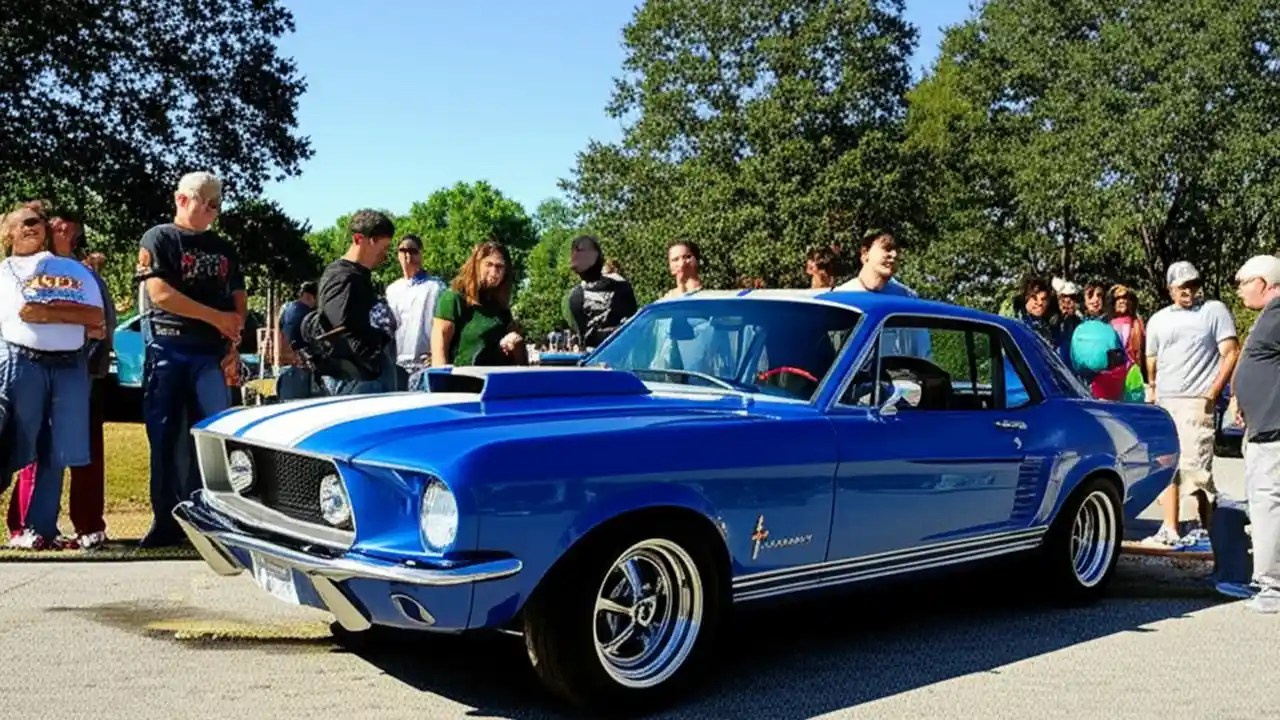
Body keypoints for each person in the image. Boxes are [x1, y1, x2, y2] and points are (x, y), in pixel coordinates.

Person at [134, 171, 246, 548]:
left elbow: (238, 297)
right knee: (164, 436)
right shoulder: (159, 238)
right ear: (182, 200)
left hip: (211, 354)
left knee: (213, 436)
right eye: (207, 202)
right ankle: (165, 520)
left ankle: (213, 518)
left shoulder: (224, 247)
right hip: (168, 346)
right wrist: (216, 318)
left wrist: (233, 337)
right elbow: (160, 293)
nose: (213, 211)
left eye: (218, 204)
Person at [6, 210, 116, 549]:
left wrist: (51, 312)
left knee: (59, 451)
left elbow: (97, 319)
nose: (37, 228)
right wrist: (69, 315)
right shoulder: (14, 270)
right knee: (18, 444)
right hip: (22, 361)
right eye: (27, 223)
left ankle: (42, 529)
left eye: (38, 223)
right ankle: (22, 527)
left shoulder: (77, 272)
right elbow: (25, 311)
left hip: (75, 366)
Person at [1141, 261, 1239, 550]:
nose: (1189, 291)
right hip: (1164, 401)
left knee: (1196, 468)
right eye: (1182, 286)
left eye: (1193, 284)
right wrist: (1152, 390)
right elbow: (1152, 358)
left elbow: (1231, 352)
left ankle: (1202, 531)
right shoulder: (1158, 319)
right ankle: (1169, 527)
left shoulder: (1214, 311)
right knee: (1165, 465)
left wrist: (1213, 393)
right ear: (1170, 289)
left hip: (1196, 400)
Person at [1224, 254, 1280, 613]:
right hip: (1263, 428)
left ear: (1265, 283)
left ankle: (1272, 588)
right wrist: (1242, 397)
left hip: (1274, 433)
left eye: (1245, 282)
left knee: (1267, 505)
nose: (1241, 290)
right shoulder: (1269, 316)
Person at [309, 210, 397, 395]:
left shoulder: (359, 276)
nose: (384, 255)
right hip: (357, 381)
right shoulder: (342, 277)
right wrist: (372, 360)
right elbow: (341, 332)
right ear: (358, 239)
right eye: (380, 247)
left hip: (366, 378)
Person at [431, 240, 525, 367]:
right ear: (477, 265)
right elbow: (439, 350)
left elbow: (520, 363)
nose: (494, 272)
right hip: (460, 381)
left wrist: (516, 345)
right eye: (489, 264)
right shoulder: (453, 299)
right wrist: (441, 382)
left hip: (494, 381)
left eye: (499, 266)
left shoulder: (502, 310)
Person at [837, 230, 929, 357]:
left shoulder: (907, 300)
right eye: (887, 248)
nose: (894, 255)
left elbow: (923, 353)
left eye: (897, 250)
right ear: (865, 254)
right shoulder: (841, 298)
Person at [385, 234, 445, 386]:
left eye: (412, 250)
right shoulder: (392, 290)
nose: (407, 255)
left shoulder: (436, 287)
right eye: (402, 250)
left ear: (421, 253)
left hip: (425, 366)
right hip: (397, 367)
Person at [563, 235, 637, 349]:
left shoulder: (622, 289)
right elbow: (586, 336)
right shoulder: (576, 297)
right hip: (594, 356)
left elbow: (632, 326)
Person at [274, 281, 320, 401]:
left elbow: (279, 334)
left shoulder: (285, 309)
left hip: (284, 367)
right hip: (303, 367)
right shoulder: (310, 315)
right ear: (311, 297)